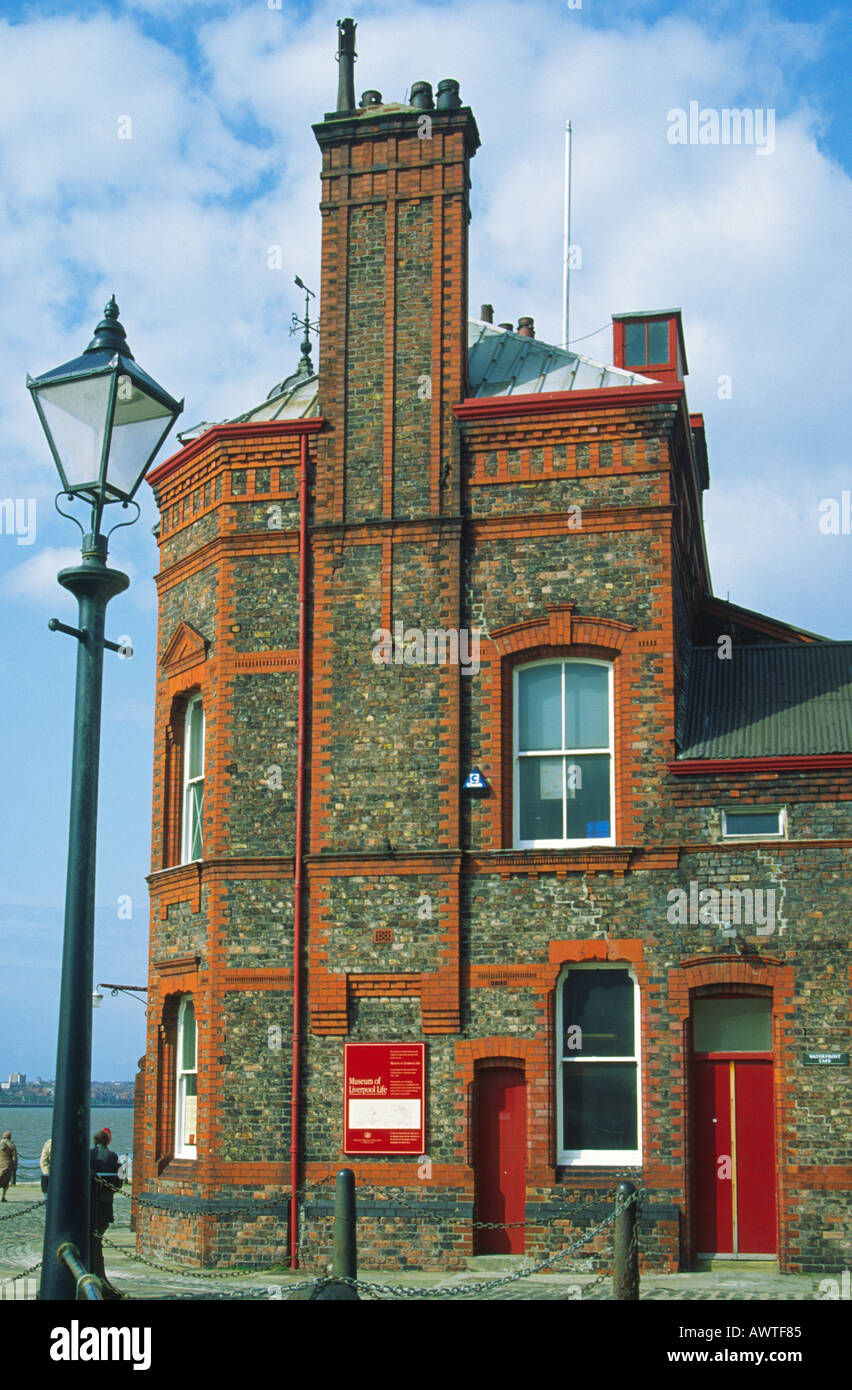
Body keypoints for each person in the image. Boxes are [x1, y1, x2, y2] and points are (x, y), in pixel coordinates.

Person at [90, 1128, 123, 1298]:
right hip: (106, 1199)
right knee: (100, 1229)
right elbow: (119, 1179)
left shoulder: (89, 1155)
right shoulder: (113, 1156)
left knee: (93, 1231)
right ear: (107, 1141)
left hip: (91, 1200)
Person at [0, 1132, 17, 1201]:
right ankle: (3, 1197)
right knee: (6, 1183)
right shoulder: (11, 1145)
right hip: (7, 1165)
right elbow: (14, 1157)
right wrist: (15, 1166)